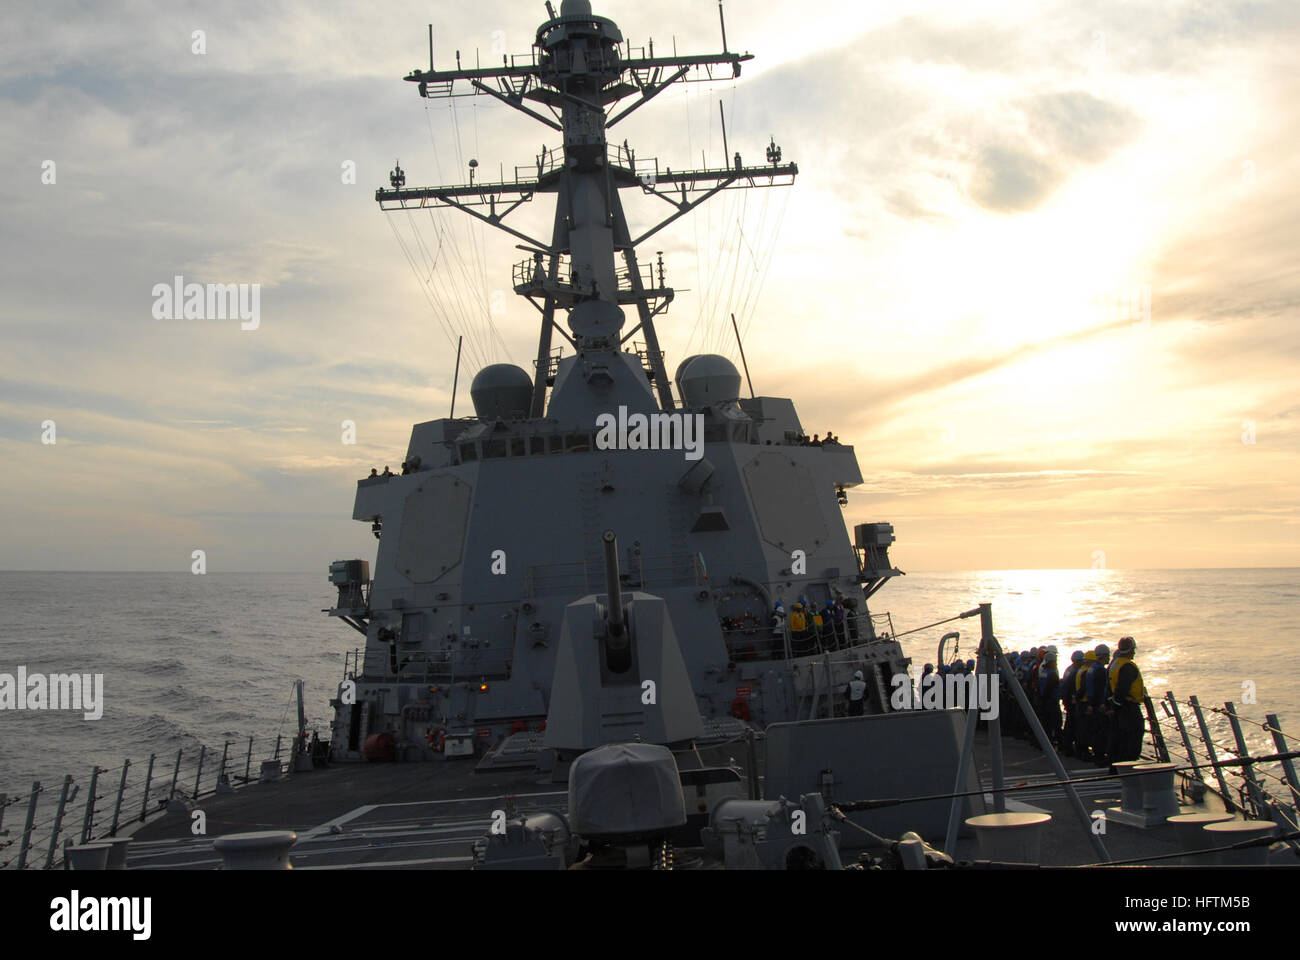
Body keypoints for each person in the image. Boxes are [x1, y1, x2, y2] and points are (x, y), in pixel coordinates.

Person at [1106, 636, 1146, 762]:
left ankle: (1115, 767)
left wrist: (1111, 706)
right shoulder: (1127, 666)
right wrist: (1116, 707)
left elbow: (1110, 686)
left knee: (1119, 738)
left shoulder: (1115, 664)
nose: (1134, 652)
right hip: (1128, 707)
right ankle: (1128, 768)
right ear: (1129, 650)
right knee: (1133, 737)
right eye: (1133, 649)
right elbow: (1122, 689)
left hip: (1119, 707)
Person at [1085, 644, 1112, 765]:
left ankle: (1097, 754)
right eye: (1107, 656)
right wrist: (1102, 703)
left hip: (1091, 702)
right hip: (1098, 704)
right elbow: (1100, 688)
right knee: (1101, 731)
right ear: (1103, 656)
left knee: (1096, 730)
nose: (1109, 658)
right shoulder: (1100, 670)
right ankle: (1100, 756)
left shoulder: (1091, 669)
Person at [1059, 650, 1085, 757]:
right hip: (1072, 701)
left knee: (1069, 724)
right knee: (1074, 724)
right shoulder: (1076, 672)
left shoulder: (1069, 670)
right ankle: (1070, 748)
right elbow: (1073, 688)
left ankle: (1067, 746)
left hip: (1067, 699)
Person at [1037, 649, 1061, 745]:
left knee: (1045, 721)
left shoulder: (1043, 671)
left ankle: (1043, 741)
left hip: (1043, 699)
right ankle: (1050, 742)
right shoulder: (1052, 674)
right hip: (1051, 701)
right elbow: (1050, 688)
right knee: (1053, 722)